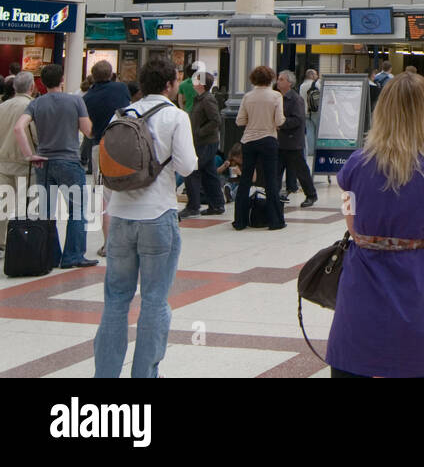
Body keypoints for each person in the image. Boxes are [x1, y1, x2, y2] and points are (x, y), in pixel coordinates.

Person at [326, 72, 424, 378]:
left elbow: (352, 224)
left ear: (382, 110)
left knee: (352, 363)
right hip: (414, 281)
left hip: (362, 278)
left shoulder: (355, 164)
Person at [93, 58, 197, 378]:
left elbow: (106, 167)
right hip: (157, 216)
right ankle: (145, 374)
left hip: (121, 217)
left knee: (115, 300)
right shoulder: (175, 116)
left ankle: (106, 374)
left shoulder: (121, 115)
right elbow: (187, 165)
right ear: (169, 84)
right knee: (154, 300)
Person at [15, 64, 95, 268]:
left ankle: (49, 254)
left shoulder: (36, 103)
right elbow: (87, 131)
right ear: (62, 79)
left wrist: (29, 155)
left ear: (41, 82)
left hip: (43, 163)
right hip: (68, 161)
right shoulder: (76, 101)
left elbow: (19, 128)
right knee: (76, 210)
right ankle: (72, 256)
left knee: (46, 211)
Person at [233, 65, 286, 231]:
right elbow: (279, 121)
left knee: (245, 180)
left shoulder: (248, 97)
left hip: (249, 140)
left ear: (253, 79)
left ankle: (240, 221)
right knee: (271, 180)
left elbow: (239, 121)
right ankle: (275, 221)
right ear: (270, 79)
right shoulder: (276, 96)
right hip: (268, 139)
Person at [0, 71, 35, 248]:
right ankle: (22, 242)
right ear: (32, 87)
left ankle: (1, 240)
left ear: (14, 87)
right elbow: (35, 135)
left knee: (3, 205)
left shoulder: (3, 106)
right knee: (26, 204)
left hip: (3, 162)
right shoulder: (31, 107)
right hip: (25, 163)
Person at [181, 72, 224, 216]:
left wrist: (199, 132)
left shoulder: (207, 100)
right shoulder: (200, 99)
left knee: (192, 171)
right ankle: (217, 205)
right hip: (203, 141)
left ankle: (193, 206)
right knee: (209, 173)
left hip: (205, 142)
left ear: (202, 84)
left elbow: (215, 120)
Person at [276, 70, 317, 208]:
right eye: (278, 79)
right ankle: (274, 194)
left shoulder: (295, 99)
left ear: (289, 83)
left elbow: (298, 120)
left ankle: (311, 195)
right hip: (280, 141)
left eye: (281, 79)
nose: (278, 81)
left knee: (301, 170)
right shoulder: (277, 97)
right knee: (276, 169)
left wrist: (281, 124)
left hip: (293, 141)